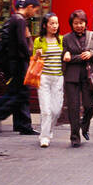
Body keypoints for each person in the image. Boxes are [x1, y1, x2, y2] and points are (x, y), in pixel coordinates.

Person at [0, 0, 40, 135]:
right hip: (17, 63)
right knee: (21, 94)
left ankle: (20, 124)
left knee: (15, 93)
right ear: (29, 7)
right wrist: (29, 58)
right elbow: (22, 43)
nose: (35, 13)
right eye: (35, 10)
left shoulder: (14, 19)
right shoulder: (19, 20)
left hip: (12, 62)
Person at [62, 10, 93, 147]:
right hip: (72, 77)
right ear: (71, 24)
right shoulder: (66, 38)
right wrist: (79, 57)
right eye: (76, 23)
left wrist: (91, 54)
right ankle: (75, 137)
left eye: (81, 23)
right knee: (73, 107)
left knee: (89, 106)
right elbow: (65, 58)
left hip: (89, 76)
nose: (79, 25)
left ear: (85, 23)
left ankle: (84, 127)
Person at [32, 12, 64, 148]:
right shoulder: (38, 40)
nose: (55, 26)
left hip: (58, 77)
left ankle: (49, 129)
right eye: (52, 23)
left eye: (56, 23)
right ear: (45, 25)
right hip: (44, 77)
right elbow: (33, 60)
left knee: (56, 110)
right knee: (45, 110)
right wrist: (37, 55)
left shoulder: (61, 40)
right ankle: (44, 137)